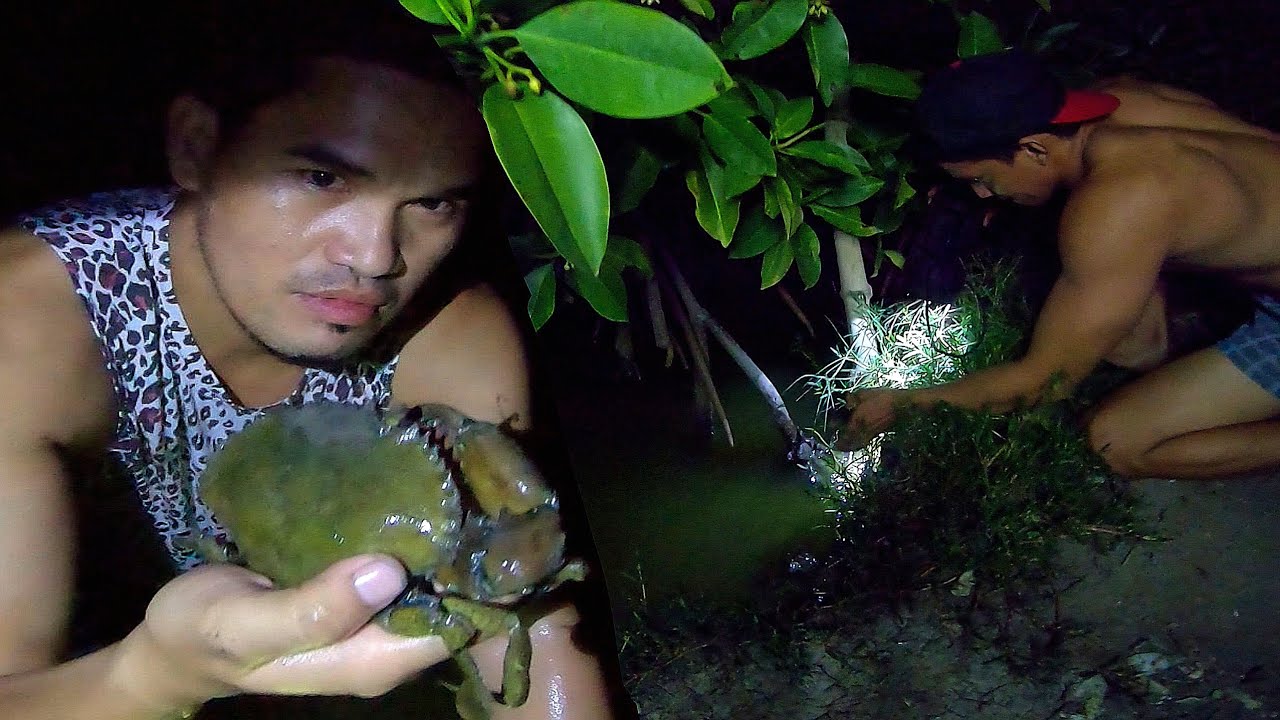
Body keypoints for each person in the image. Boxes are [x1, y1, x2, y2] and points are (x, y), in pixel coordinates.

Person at [0, 3, 622, 718]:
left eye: (433, 203)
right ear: (197, 146)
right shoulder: (31, 321)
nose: (375, 256)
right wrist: (150, 679)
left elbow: (528, 621)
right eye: (321, 180)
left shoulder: (450, 339)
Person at [840, 49, 1280, 480]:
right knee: (1118, 328)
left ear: (1034, 148)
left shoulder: (1119, 204)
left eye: (982, 179)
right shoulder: (1128, 101)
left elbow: (1044, 381)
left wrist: (904, 404)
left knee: (1117, 441)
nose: (981, 195)